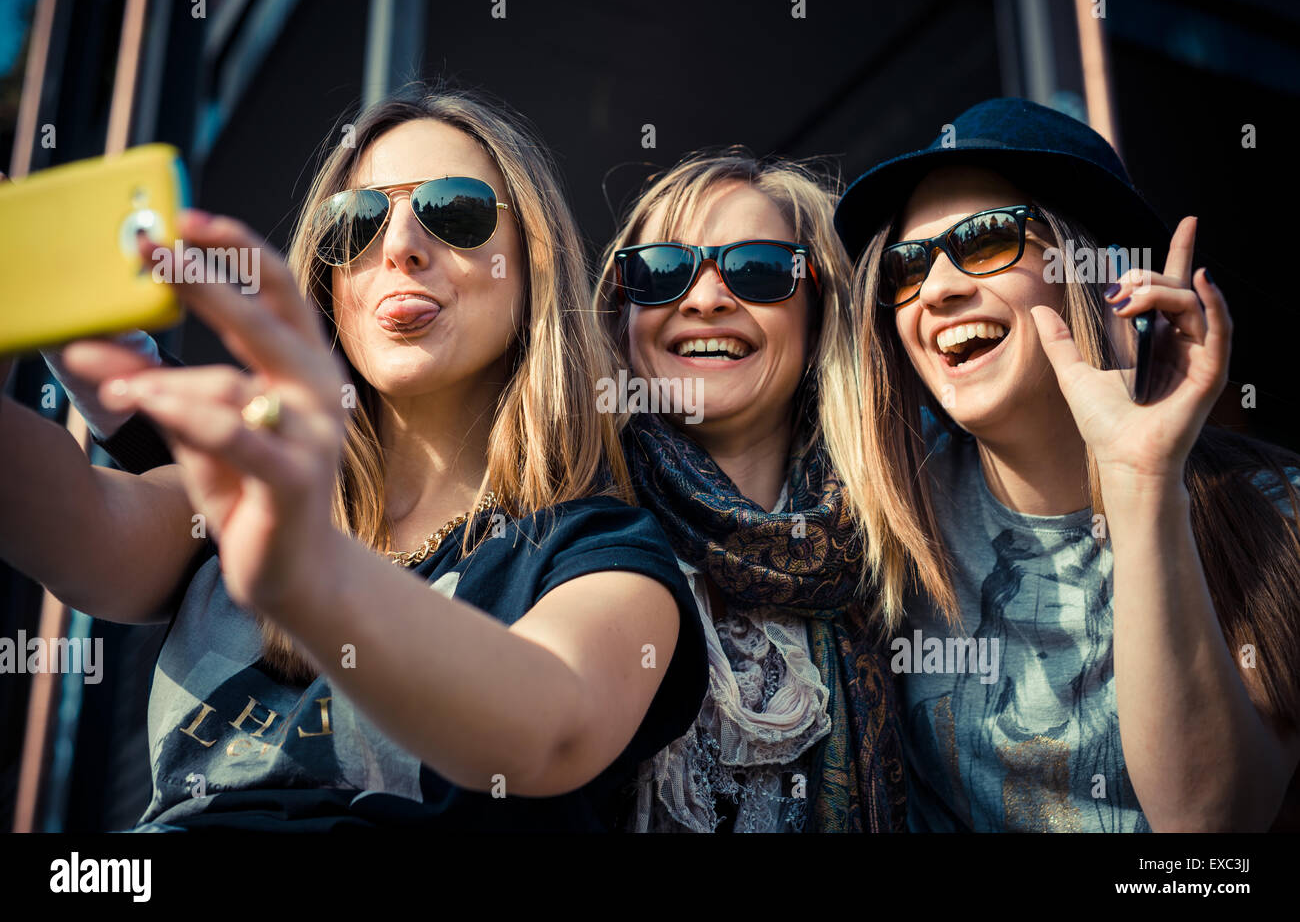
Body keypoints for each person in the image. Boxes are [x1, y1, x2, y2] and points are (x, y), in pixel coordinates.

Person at [0, 87, 707, 831]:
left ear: (531, 262)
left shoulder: (605, 554)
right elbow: (73, 519)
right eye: (358, 221)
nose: (398, 244)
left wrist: (306, 575)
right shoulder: (239, 490)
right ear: (331, 280)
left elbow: (545, 728)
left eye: (454, 211)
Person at [832, 97, 1300, 831]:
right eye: (907, 264)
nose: (939, 288)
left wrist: (1142, 480)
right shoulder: (882, 512)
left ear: (1101, 271)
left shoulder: (1277, 510)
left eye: (986, 240)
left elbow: (1211, 834)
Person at [594, 150, 907, 832]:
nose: (704, 299)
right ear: (624, 314)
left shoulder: (909, 541)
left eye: (759, 269)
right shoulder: (562, 528)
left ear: (818, 310)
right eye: (661, 271)